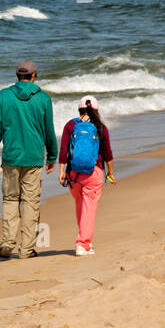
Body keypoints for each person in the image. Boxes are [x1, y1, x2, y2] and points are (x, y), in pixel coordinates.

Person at [0, 60, 57, 259]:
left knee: (10, 199)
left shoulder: (4, 96)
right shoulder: (43, 99)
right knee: (31, 202)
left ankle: (7, 243)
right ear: (34, 75)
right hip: (33, 158)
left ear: (17, 76)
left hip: (11, 157)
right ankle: (27, 249)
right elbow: (49, 130)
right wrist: (52, 156)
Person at [59, 94, 116, 256]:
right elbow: (108, 153)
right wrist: (110, 173)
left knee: (80, 204)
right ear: (96, 110)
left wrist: (61, 172)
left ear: (79, 108)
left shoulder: (70, 125)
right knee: (89, 207)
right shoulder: (100, 127)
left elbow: (63, 151)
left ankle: (86, 241)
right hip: (93, 171)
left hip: (73, 173)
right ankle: (83, 243)